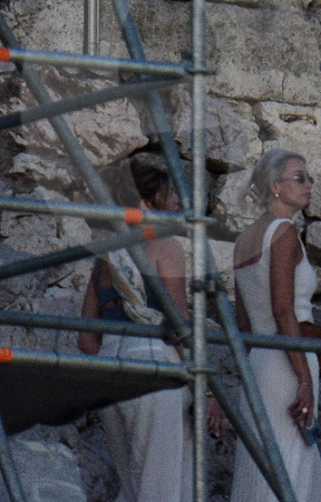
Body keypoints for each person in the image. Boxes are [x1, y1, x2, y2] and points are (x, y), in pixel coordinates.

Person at [78, 155, 224, 501]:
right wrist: (206, 390)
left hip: (110, 368)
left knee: (131, 485)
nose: (176, 203)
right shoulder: (165, 247)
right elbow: (180, 324)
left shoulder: (105, 257)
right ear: (146, 204)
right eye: (168, 196)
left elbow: (86, 339)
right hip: (154, 365)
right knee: (162, 485)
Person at [231, 149, 321, 502]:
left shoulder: (244, 240)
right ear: (274, 187)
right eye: (299, 177)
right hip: (288, 361)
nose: (309, 184)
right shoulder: (284, 232)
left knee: (263, 466)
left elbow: (243, 322)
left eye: (308, 177)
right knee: (290, 469)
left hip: (259, 362)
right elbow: (283, 310)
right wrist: (303, 377)